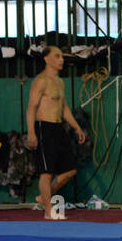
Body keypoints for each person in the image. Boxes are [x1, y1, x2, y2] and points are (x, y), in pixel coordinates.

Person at [26, 45, 86, 220]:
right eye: (57, 56)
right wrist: (31, 132)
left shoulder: (60, 82)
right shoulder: (41, 81)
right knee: (46, 173)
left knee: (70, 171)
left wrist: (77, 127)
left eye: (62, 56)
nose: (61, 60)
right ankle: (48, 211)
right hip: (43, 128)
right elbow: (31, 107)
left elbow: (64, 108)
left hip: (58, 128)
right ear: (46, 59)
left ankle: (43, 198)